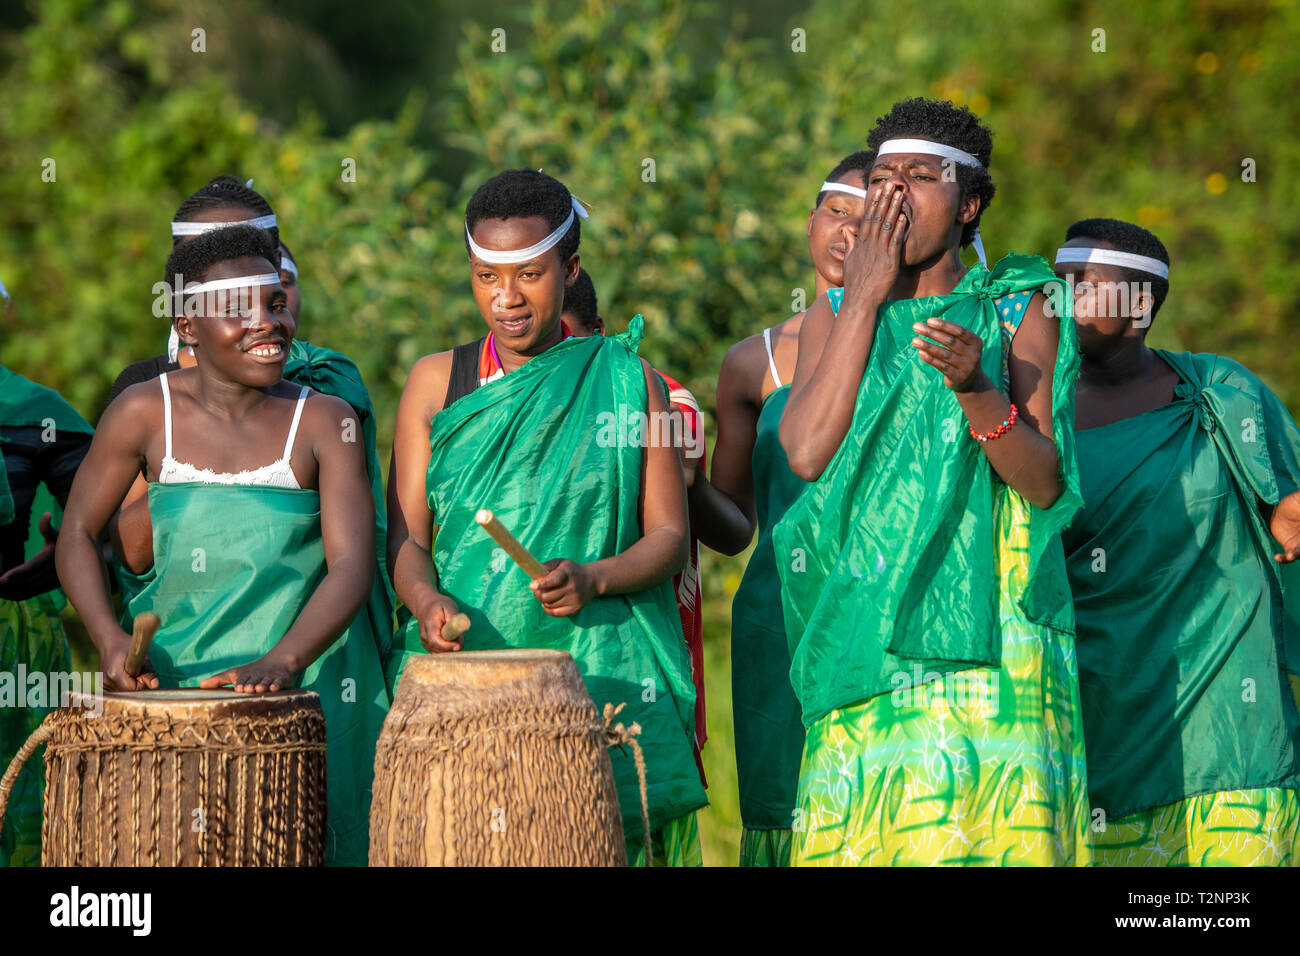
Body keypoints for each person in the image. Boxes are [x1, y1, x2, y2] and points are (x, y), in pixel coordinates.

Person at [775, 98, 1091, 866]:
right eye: (884, 176)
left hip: (995, 645)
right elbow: (806, 451)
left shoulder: (1021, 306)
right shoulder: (834, 314)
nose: (896, 193)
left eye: (922, 176)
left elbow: (1047, 484)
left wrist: (979, 391)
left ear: (971, 204)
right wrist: (865, 296)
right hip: (865, 634)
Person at [386, 169, 707, 865]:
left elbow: (671, 538)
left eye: (529, 275)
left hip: (596, 684)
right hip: (467, 680)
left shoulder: (630, 382)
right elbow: (408, 540)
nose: (505, 299)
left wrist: (592, 577)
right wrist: (425, 599)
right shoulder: (435, 383)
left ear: (571, 270)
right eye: (484, 277)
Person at [55, 226, 389, 866]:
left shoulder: (323, 419)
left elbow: (350, 565)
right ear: (187, 324)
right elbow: (76, 534)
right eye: (240, 311)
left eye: (275, 303)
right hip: (176, 695)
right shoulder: (142, 411)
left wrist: (283, 661)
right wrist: (108, 638)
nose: (269, 323)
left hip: (296, 695)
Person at [1056, 218, 1300, 866]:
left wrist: (1279, 511)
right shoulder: (1030, 421)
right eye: (1056, 285)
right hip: (1101, 712)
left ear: (1140, 306)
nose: (1061, 300)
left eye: (1085, 286)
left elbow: (1282, 499)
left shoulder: (1220, 393)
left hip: (1236, 719)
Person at [108, 176, 393, 653]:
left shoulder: (327, 385)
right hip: (183, 642)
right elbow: (133, 552)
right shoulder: (143, 396)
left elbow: (353, 550)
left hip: (321, 646)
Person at [686, 153, 873, 867]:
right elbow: (734, 528)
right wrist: (689, 483)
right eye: (836, 212)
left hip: (877, 603)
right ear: (810, 221)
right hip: (780, 616)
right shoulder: (752, 361)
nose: (848, 233)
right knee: (785, 804)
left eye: (869, 221)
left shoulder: (912, 345)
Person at [563, 267, 710, 789]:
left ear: (598, 331)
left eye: (568, 338)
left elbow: (683, 497)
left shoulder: (661, 396)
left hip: (642, 632)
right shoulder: (506, 396)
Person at [0, 305, 95, 865]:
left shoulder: (36, 415)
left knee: (24, 807)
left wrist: (65, 553)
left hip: (16, 650)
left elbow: (107, 527)